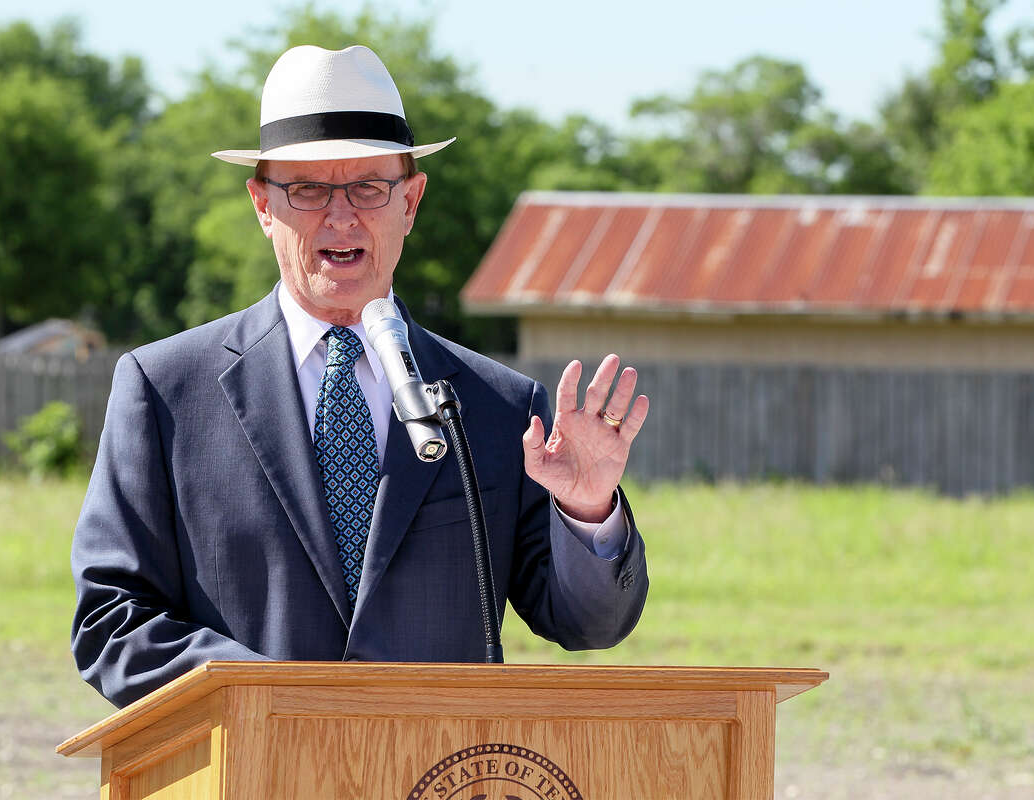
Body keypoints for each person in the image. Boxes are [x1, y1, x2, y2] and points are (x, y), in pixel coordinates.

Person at [71, 44, 651, 708]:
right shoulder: (164, 391)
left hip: (439, 759)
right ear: (263, 205)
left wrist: (588, 510)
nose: (341, 216)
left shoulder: (499, 407)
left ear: (411, 201)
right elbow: (111, 622)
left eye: (369, 188)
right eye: (308, 189)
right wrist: (273, 696)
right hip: (249, 754)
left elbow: (587, 624)